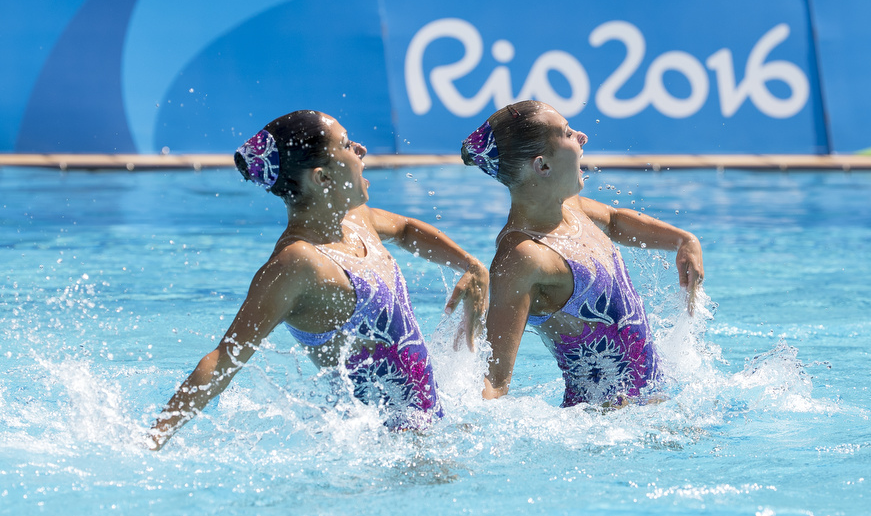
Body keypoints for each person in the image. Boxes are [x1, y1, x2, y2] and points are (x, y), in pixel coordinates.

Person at [148, 110, 488, 450]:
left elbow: (405, 229)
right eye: (346, 145)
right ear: (322, 178)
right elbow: (223, 358)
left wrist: (471, 266)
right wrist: (153, 440)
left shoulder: (355, 220)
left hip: (433, 429)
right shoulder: (298, 263)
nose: (362, 150)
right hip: (384, 453)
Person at [461, 100, 704, 408]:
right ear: (543, 166)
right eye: (567, 133)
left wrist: (683, 240)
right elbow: (495, 382)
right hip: (608, 430)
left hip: (656, 408)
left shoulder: (570, 207)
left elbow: (615, 220)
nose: (582, 137)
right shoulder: (523, 257)